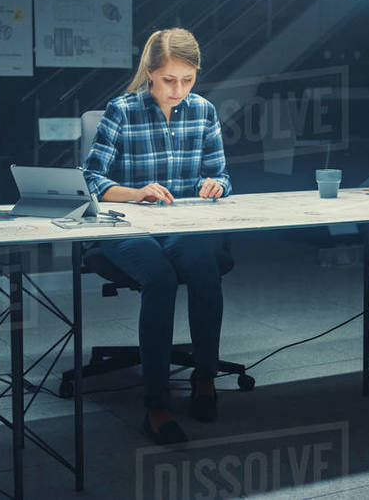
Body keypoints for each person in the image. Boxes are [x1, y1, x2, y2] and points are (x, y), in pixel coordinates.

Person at [82, 28, 231, 445]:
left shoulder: (203, 111)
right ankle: (156, 404)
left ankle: (205, 380)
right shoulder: (122, 110)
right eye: (169, 80)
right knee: (160, 278)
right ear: (150, 73)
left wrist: (216, 185)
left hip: (182, 224)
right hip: (126, 225)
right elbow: (91, 180)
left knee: (203, 267)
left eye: (187, 79)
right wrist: (137, 192)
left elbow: (221, 174)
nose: (178, 90)